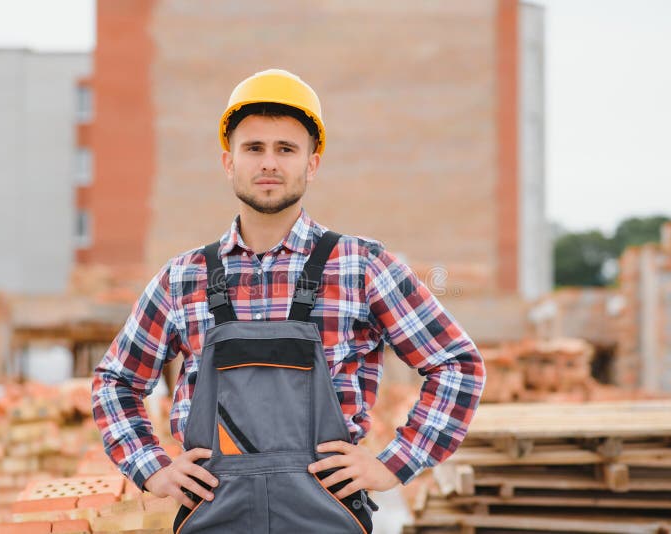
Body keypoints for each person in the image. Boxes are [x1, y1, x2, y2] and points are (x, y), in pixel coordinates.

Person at [92, 69, 485, 533]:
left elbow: (457, 365)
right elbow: (115, 381)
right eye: (253, 148)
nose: (269, 163)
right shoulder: (183, 278)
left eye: (286, 149)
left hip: (326, 514)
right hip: (213, 515)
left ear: (311, 164)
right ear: (228, 162)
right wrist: (152, 468)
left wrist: (392, 464)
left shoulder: (360, 266)